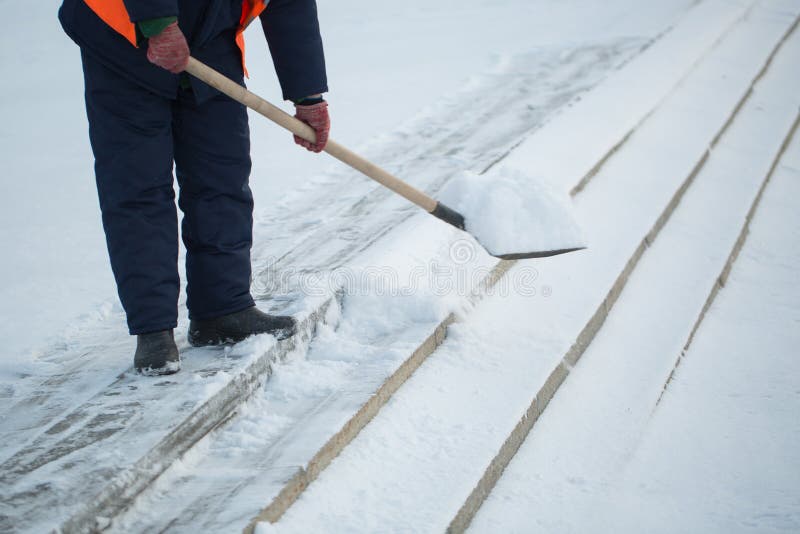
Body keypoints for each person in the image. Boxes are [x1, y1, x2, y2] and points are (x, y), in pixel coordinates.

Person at [58, 0, 330, 375]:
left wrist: (308, 93)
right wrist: (156, 22)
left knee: (222, 173)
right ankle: (154, 330)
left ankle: (222, 310)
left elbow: (288, 5)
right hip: (121, 33)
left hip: (209, 34)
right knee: (138, 186)